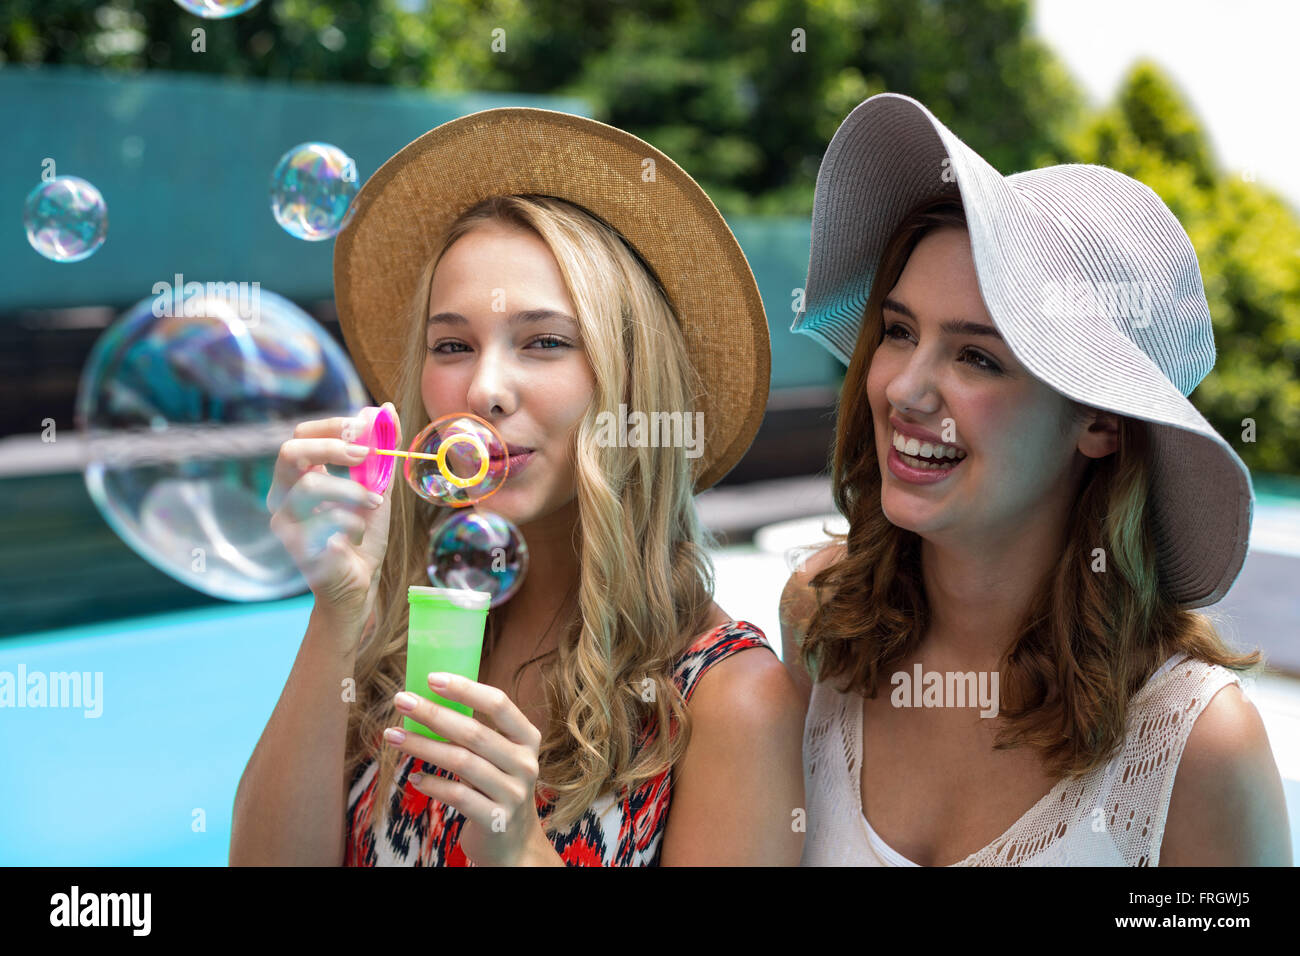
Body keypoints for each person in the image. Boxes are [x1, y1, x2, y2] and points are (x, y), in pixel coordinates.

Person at [230, 109, 805, 866]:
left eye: (544, 342)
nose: (485, 389)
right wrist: (335, 610)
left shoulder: (730, 701)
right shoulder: (391, 637)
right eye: (452, 345)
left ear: (632, 384)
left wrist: (521, 852)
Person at [780, 92, 1291, 866]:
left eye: (977, 356)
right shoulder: (822, 624)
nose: (903, 390)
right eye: (898, 331)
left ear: (1099, 423)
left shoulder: (1196, 746)